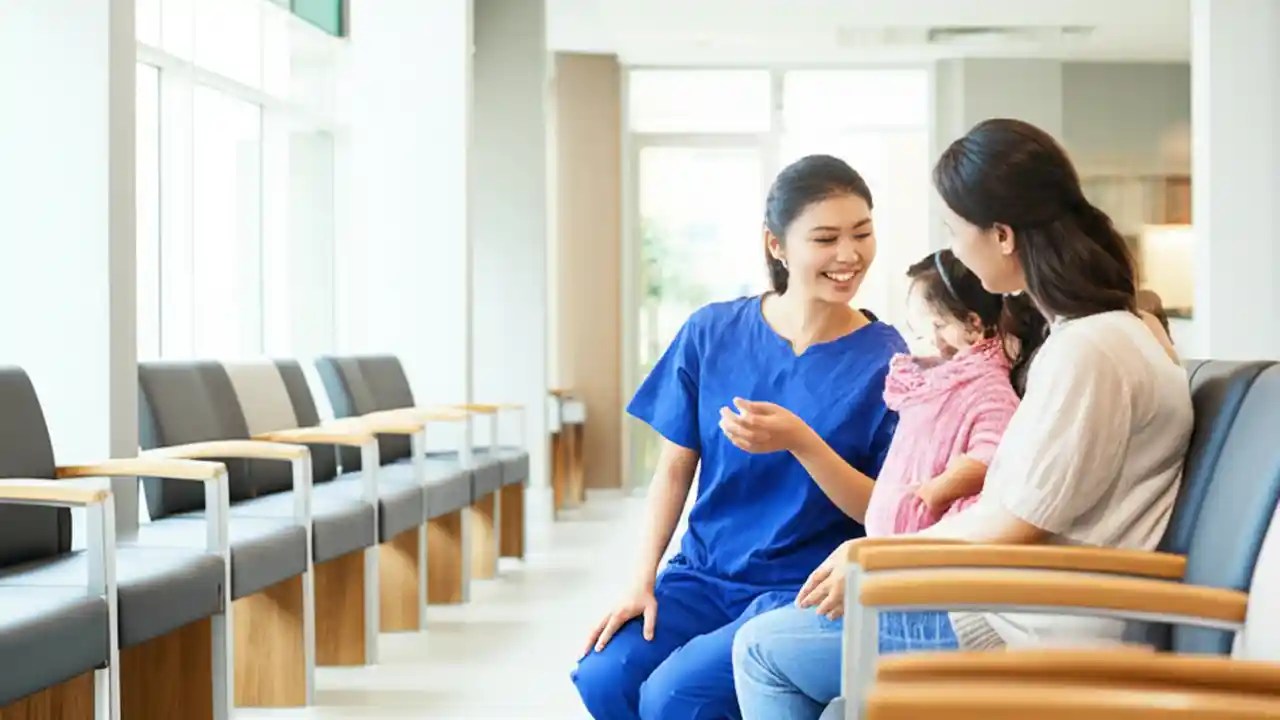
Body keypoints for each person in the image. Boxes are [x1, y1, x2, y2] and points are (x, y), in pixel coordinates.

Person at [731, 118, 1196, 719]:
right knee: (809, 662)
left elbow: (1014, 525)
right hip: (1024, 605)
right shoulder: (1113, 335)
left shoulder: (1090, 350)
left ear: (1002, 235)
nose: (951, 250)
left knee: (761, 650)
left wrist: (871, 557)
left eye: (955, 230)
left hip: (1031, 633)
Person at [570, 155, 907, 719]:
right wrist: (641, 581)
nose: (849, 255)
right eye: (826, 238)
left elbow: (885, 511)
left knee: (673, 698)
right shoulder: (712, 332)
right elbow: (673, 470)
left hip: (800, 589)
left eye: (862, 234)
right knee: (605, 675)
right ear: (776, 245)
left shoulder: (889, 361)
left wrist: (803, 441)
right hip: (703, 577)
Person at [862, 249, 1042, 544]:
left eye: (939, 326)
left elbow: (994, 456)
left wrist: (938, 489)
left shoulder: (988, 386)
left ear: (973, 324)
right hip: (904, 551)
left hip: (938, 556)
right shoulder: (943, 382)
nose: (932, 340)